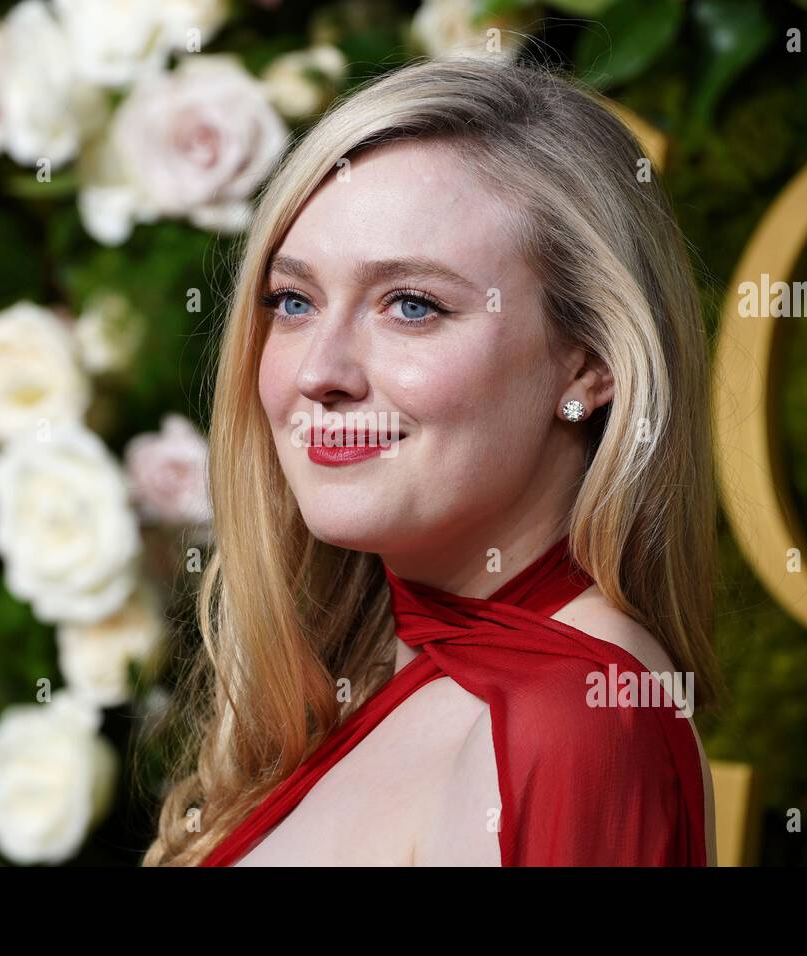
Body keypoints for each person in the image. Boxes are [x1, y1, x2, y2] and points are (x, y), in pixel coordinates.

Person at [143, 53, 724, 867]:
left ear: (589, 365)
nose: (319, 372)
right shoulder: (386, 668)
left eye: (411, 305)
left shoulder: (579, 719)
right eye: (294, 301)